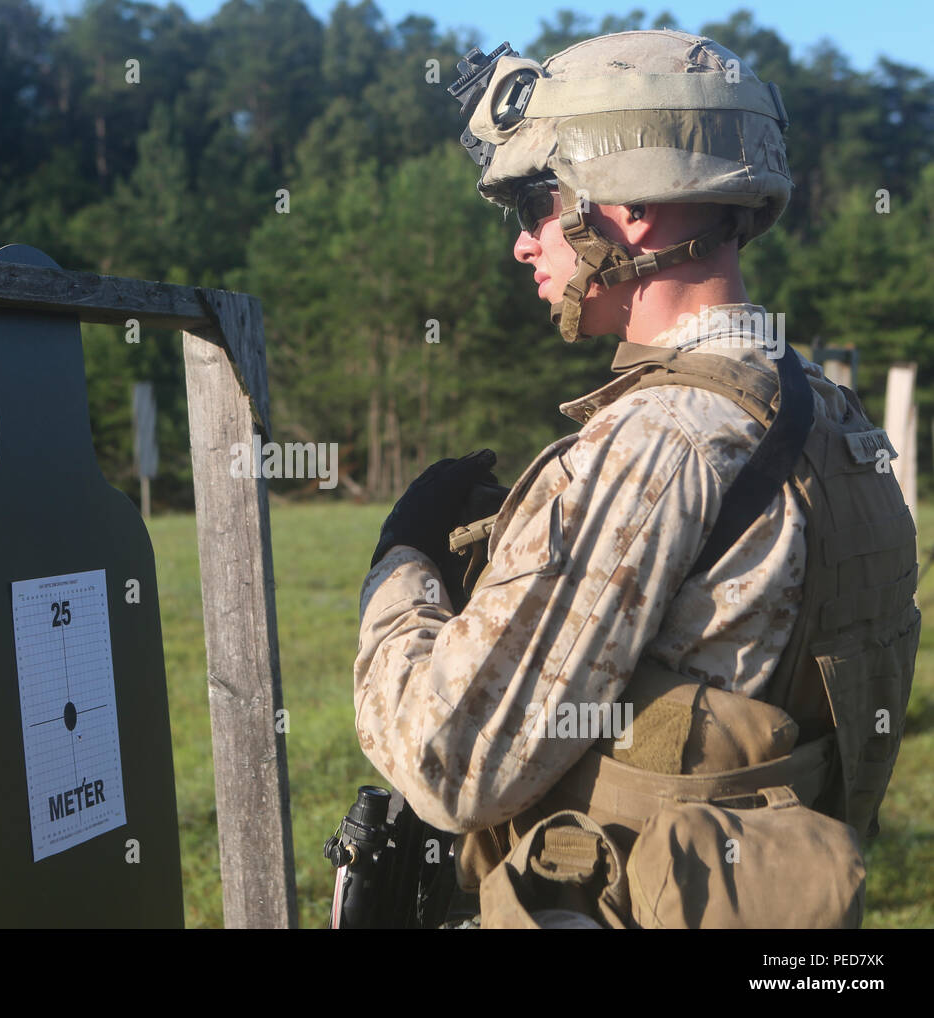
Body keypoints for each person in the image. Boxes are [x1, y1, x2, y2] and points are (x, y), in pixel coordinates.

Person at [353, 29, 919, 927]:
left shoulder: (663, 439)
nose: (523, 245)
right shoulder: (832, 418)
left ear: (635, 208)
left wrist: (402, 572)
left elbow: (452, 759)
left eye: (537, 204)